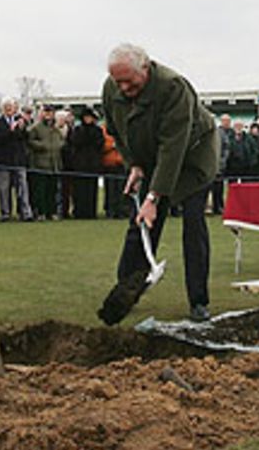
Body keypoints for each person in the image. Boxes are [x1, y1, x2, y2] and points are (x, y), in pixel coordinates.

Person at [99, 43, 217, 323]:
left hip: (192, 157)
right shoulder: (111, 88)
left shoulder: (173, 87)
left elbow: (173, 147)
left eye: (129, 80)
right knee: (141, 224)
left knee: (193, 224)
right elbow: (117, 132)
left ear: (146, 67)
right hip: (153, 157)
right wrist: (135, 166)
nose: (124, 88)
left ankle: (198, 301)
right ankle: (125, 292)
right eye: (119, 81)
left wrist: (154, 197)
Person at [0, 98, 31, 221]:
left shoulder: (20, 122)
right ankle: (5, 213)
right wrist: (11, 130)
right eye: (6, 106)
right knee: (4, 189)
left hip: (18, 160)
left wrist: (22, 128)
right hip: (3, 160)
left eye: (11, 106)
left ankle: (25, 213)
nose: (9, 109)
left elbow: (24, 139)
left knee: (22, 188)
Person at [27, 104, 64, 219]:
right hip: (40, 164)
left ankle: (51, 212)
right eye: (46, 112)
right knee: (40, 191)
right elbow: (30, 141)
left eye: (50, 112)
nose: (48, 115)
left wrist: (58, 145)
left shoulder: (55, 129)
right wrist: (43, 146)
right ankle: (41, 212)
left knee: (52, 190)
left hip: (54, 164)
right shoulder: (35, 128)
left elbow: (62, 141)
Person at [68, 107, 105, 219]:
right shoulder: (78, 130)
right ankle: (79, 211)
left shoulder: (97, 131)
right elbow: (74, 142)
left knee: (91, 190)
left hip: (92, 165)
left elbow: (100, 144)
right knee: (79, 190)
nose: (88, 119)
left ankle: (91, 212)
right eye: (86, 117)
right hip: (79, 165)